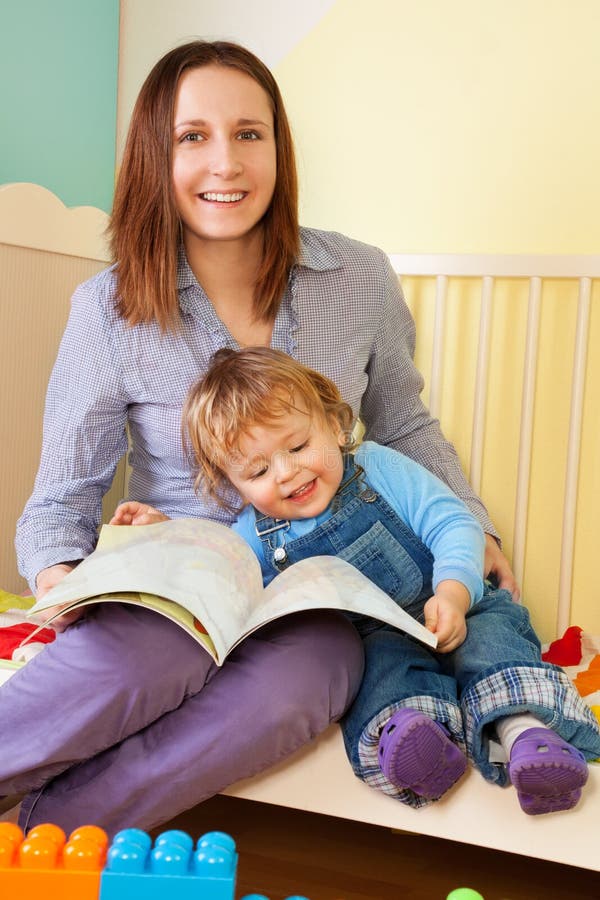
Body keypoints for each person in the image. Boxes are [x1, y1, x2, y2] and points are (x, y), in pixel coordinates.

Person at [2, 38, 509, 834]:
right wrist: (63, 579)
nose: (226, 163)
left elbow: (405, 424)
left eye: (249, 133)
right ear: (157, 154)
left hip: (315, 590)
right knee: (148, 657)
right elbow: (64, 491)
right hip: (178, 576)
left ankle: (53, 836)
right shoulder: (107, 307)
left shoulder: (360, 278)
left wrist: (475, 529)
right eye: (193, 136)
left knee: (314, 677)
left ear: (278, 146)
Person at [115, 347, 600, 815]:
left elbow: (452, 523)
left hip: (457, 604)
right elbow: (221, 581)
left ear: (333, 423)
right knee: (380, 677)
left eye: (298, 447)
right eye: (258, 471)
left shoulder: (377, 467)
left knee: (493, 645)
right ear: (232, 483)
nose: (286, 473)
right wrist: (167, 536)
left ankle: (526, 736)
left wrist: (453, 590)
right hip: (375, 642)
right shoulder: (252, 534)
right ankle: (419, 746)